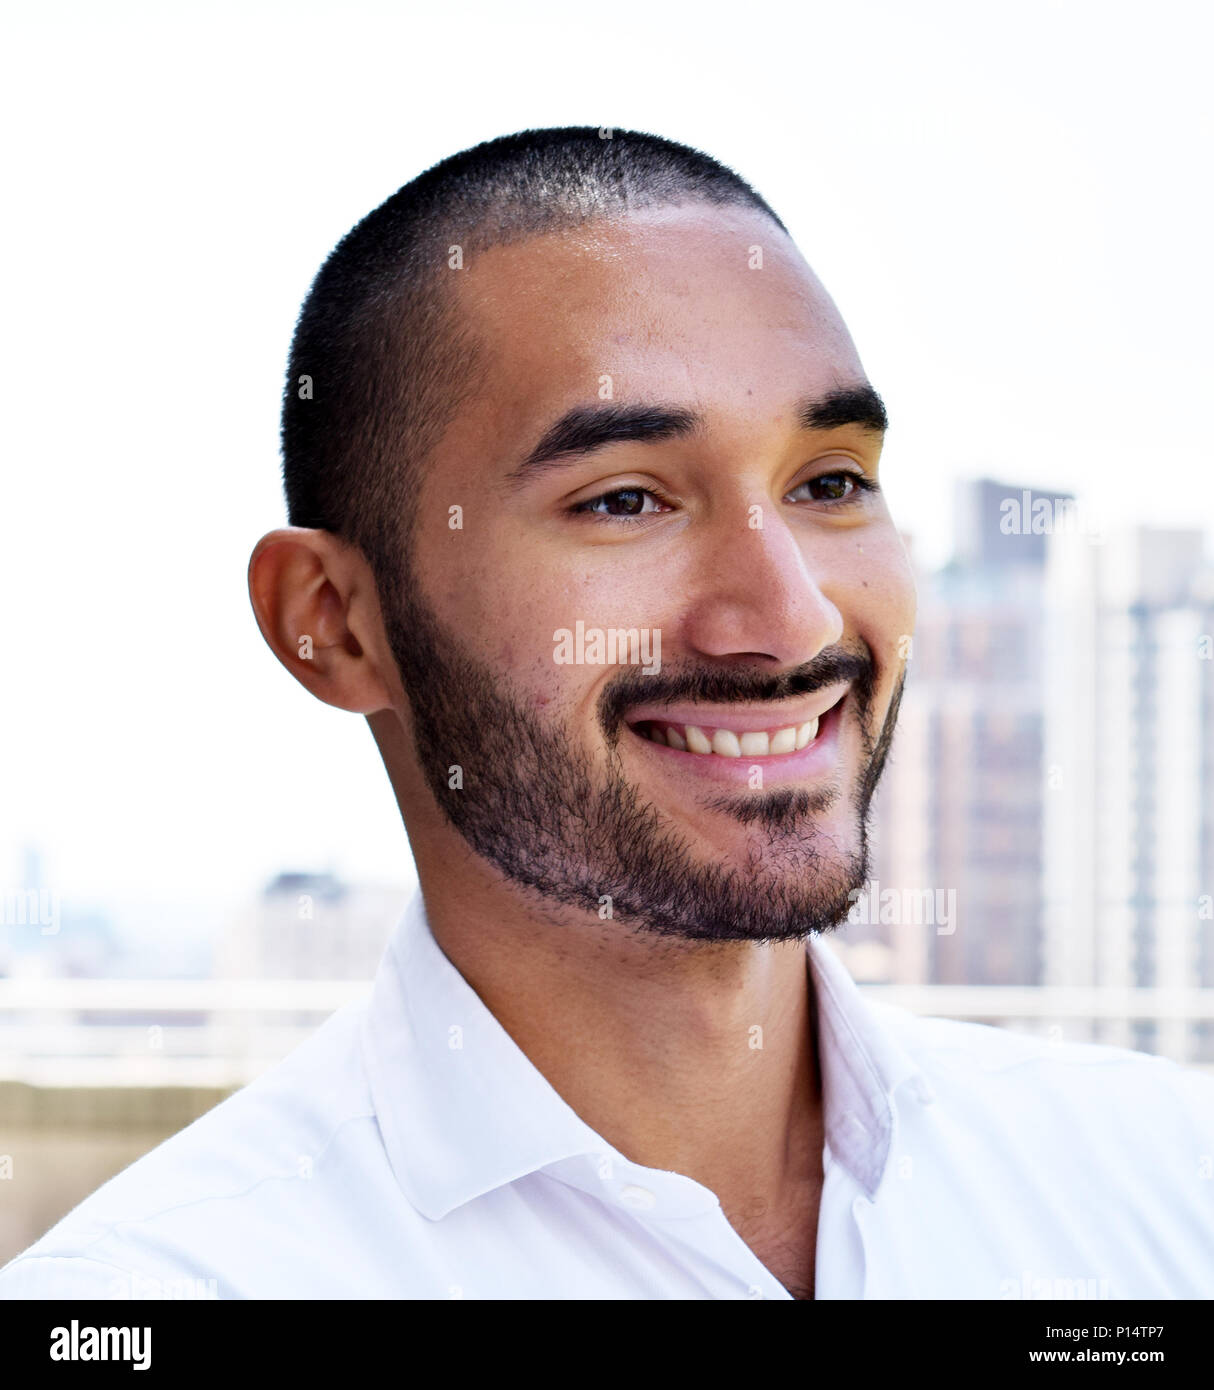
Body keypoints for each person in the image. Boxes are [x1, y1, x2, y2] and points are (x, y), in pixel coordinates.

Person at [3, 127, 1211, 1300]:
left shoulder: (1162, 1178)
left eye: (829, 482)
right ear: (336, 619)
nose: (790, 620)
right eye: (625, 499)